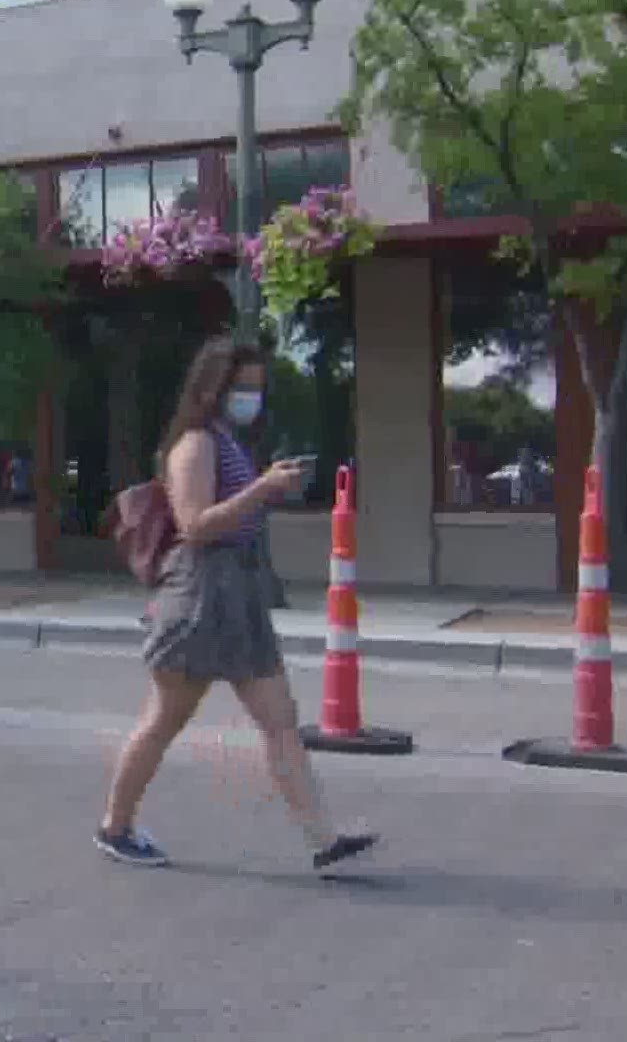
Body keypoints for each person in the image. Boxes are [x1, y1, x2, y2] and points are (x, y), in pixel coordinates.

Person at [96, 337, 377, 871]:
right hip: (201, 595)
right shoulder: (195, 444)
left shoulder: (226, 439)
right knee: (164, 719)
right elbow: (195, 526)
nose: (251, 397)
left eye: (256, 387)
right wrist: (262, 489)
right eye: (241, 386)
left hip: (239, 594)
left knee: (280, 720)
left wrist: (266, 485)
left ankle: (324, 840)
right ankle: (115, 825)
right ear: (212, 388)